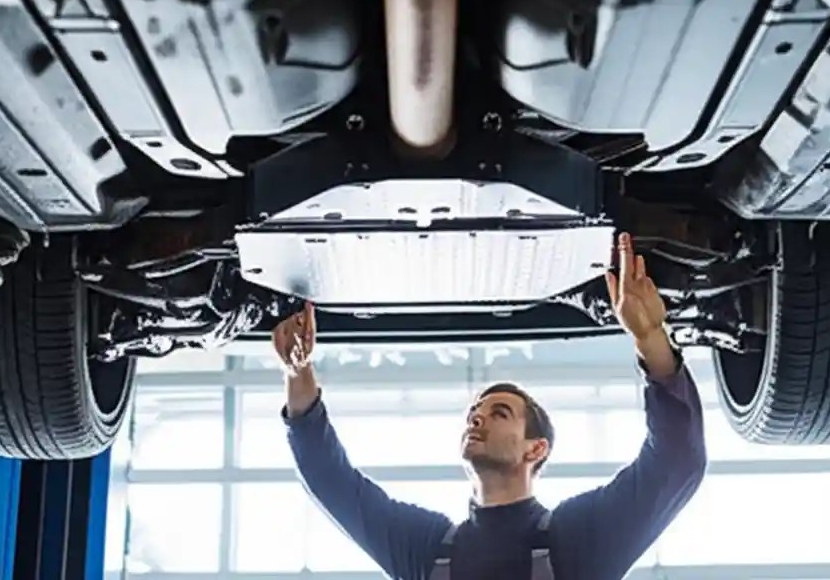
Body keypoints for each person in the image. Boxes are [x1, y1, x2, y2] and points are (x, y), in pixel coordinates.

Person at [272, 232, 707, 579]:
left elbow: (676, 461)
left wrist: (652, 339)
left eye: (499, 414)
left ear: (536, 449)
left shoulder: (576, 542)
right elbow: (335, 484)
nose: (476, 418)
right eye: (474, 414)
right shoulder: (427, 548)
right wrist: (299, 373)